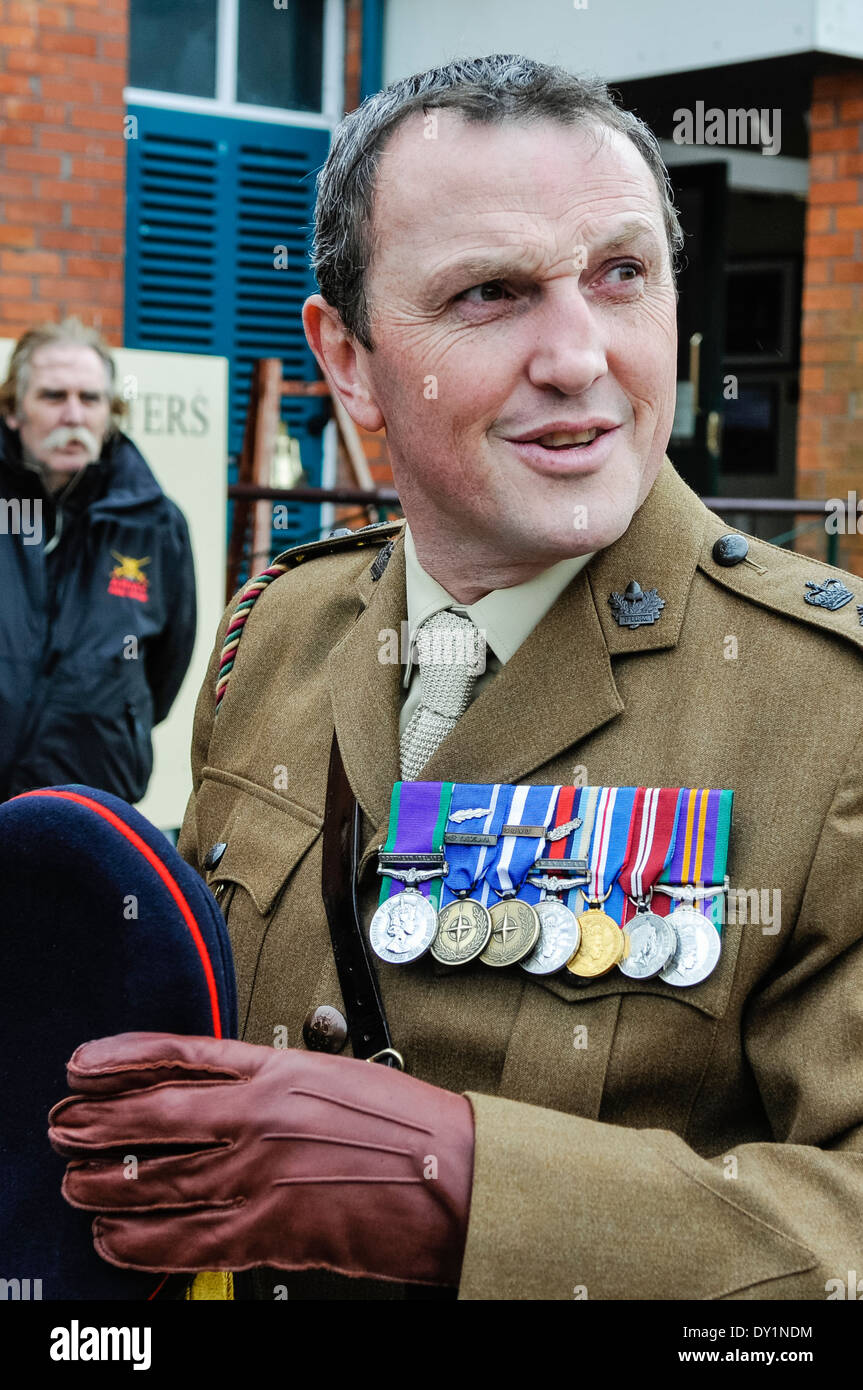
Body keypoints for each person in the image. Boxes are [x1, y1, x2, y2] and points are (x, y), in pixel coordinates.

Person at [50, 56, 863, 1301]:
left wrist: (457, 1188)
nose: (578, 356)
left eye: (620, 275)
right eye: (491, 293)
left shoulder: (827, 702)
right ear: (352, 362)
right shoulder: (285, 623)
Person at [0, 317, 196, 804]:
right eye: (52, 396)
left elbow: (168, 664)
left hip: (94, 803)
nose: (73, 415)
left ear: (110, 412)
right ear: (12, 410)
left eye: (90, 399)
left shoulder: (154, 523)